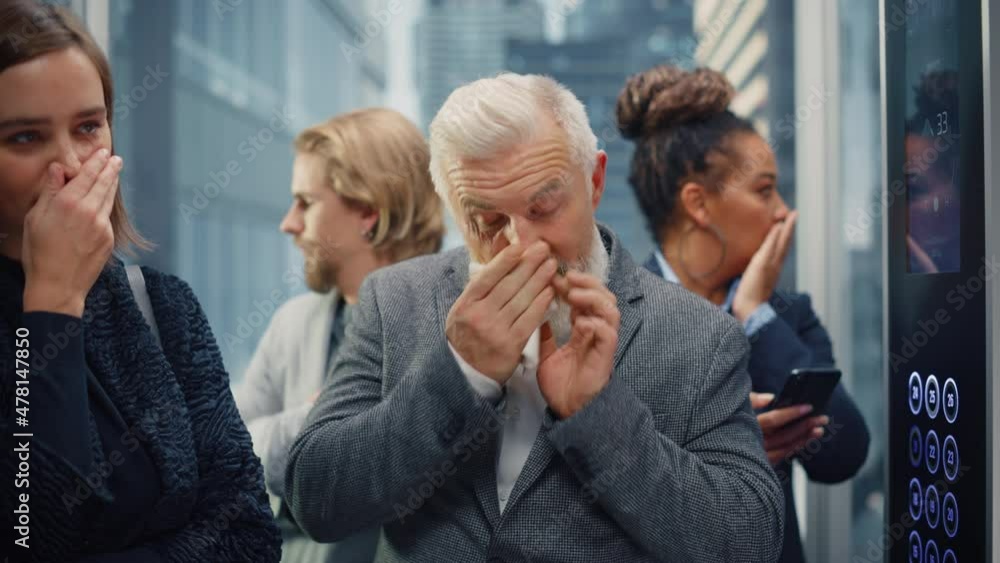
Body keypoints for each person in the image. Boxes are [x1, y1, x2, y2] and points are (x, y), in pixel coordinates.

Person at [284, 72, 785, 562]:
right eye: (487, 221)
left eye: (544, 208)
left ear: (594, 181)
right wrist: (459, 374)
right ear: (453, 210)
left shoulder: (699, 334)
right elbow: (315, 500)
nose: (523, 245)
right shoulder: (394, 299)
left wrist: (599, 411)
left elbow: (746, 541)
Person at [0, 2, 281, 561]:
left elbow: (250, 536)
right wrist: (52, 305)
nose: (74, 164)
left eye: (88, 126)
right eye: (26, 138)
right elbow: (31, 535)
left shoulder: (160, 305)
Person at [617, 65, 870, 563]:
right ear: (699, 204)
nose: (782, 211)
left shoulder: (785, 318)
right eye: (764, 190)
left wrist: (753, 315)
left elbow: (844, 455)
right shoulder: (613, 320)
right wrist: (730, 447)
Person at [235, 108, 445, 562]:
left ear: (368, 212)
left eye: (305, 203)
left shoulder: (453, 332)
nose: (288, 223)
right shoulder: (294, 322)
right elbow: (222, 453)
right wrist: (316, 420)